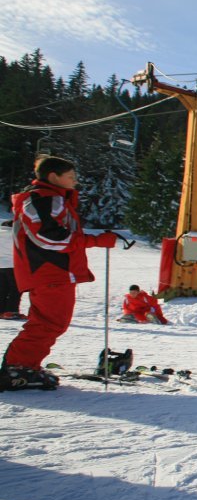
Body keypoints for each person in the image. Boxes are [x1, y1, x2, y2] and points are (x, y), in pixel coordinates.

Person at [2, 156, 119, 390]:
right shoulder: (44, 198)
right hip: (49, 270)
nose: (75, 182)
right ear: (54, 176)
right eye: (71, 177)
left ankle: (24, 365)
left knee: (50, 322)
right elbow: (49, 238)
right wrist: (96, 240)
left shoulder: (51, 199)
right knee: (48, 322)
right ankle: (17, 367)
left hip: (52, 270)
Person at [0, 220, 25, 320]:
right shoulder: (15, 234)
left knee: (2, 289)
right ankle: (11, 311)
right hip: (12, 265)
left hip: (0, 265)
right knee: (15, 289)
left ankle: (1, 311)